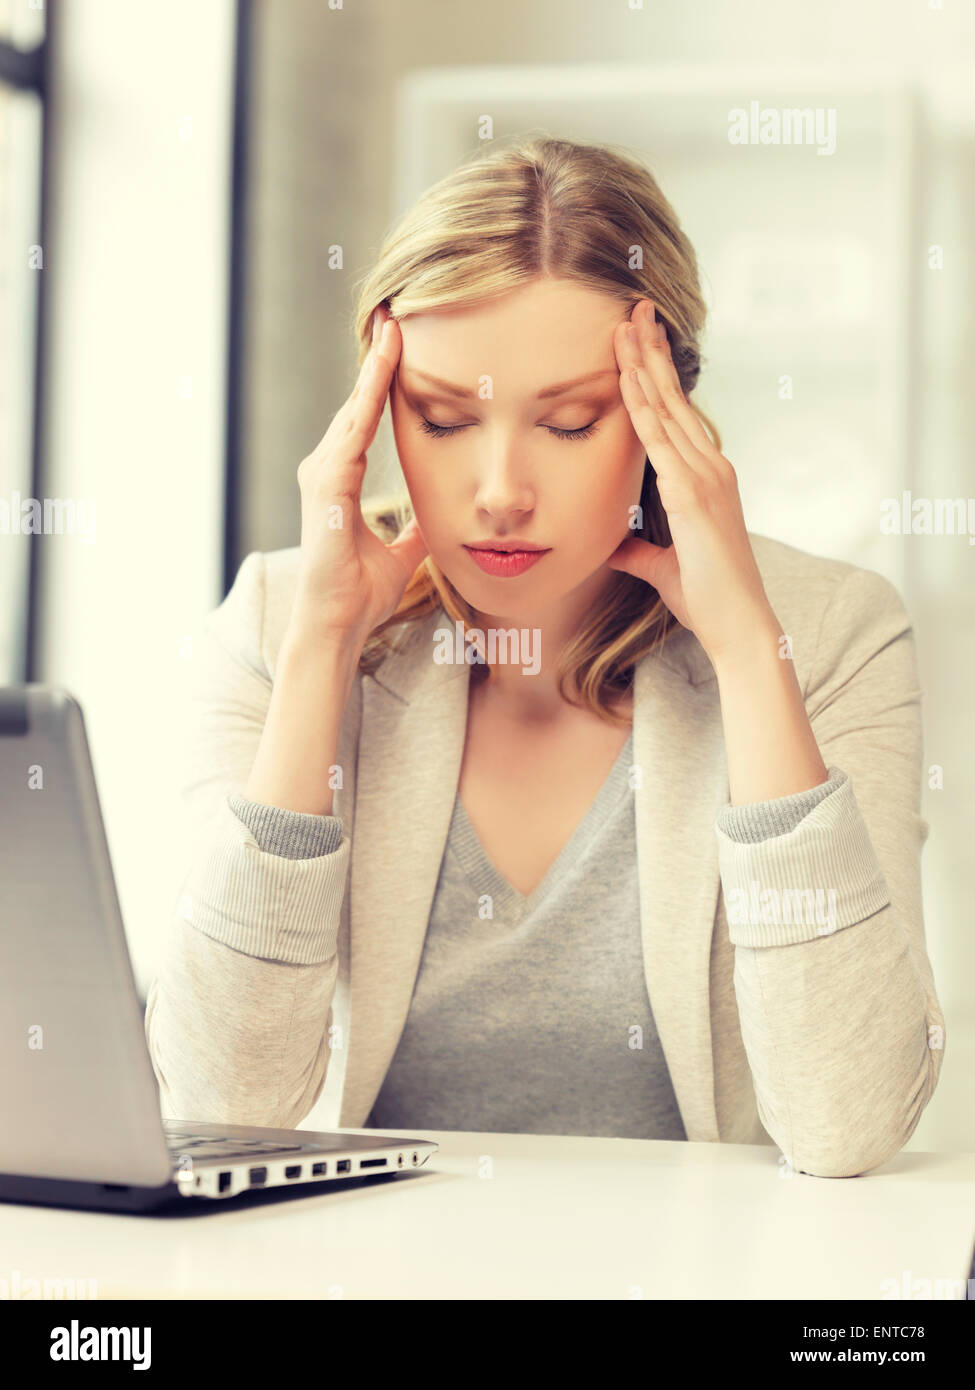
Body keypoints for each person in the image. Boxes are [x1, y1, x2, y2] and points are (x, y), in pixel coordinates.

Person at [145, 135, 945, 1178]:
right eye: (442, 418)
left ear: (671, 416)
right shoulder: (275, 623)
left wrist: (751, 653)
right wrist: (320, 658)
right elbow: (221, 1103)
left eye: (568, 423)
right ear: (381, 411)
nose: (499, 490)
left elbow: (848, 1123)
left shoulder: (832, 632)